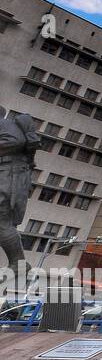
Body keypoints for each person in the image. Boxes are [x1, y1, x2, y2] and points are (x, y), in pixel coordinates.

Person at [0, 104, 40, 292]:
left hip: (8, 176)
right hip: (7, 174)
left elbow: (14, 140)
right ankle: (18, 262)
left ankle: (18, 262)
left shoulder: (4, 125)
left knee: (1, 221)